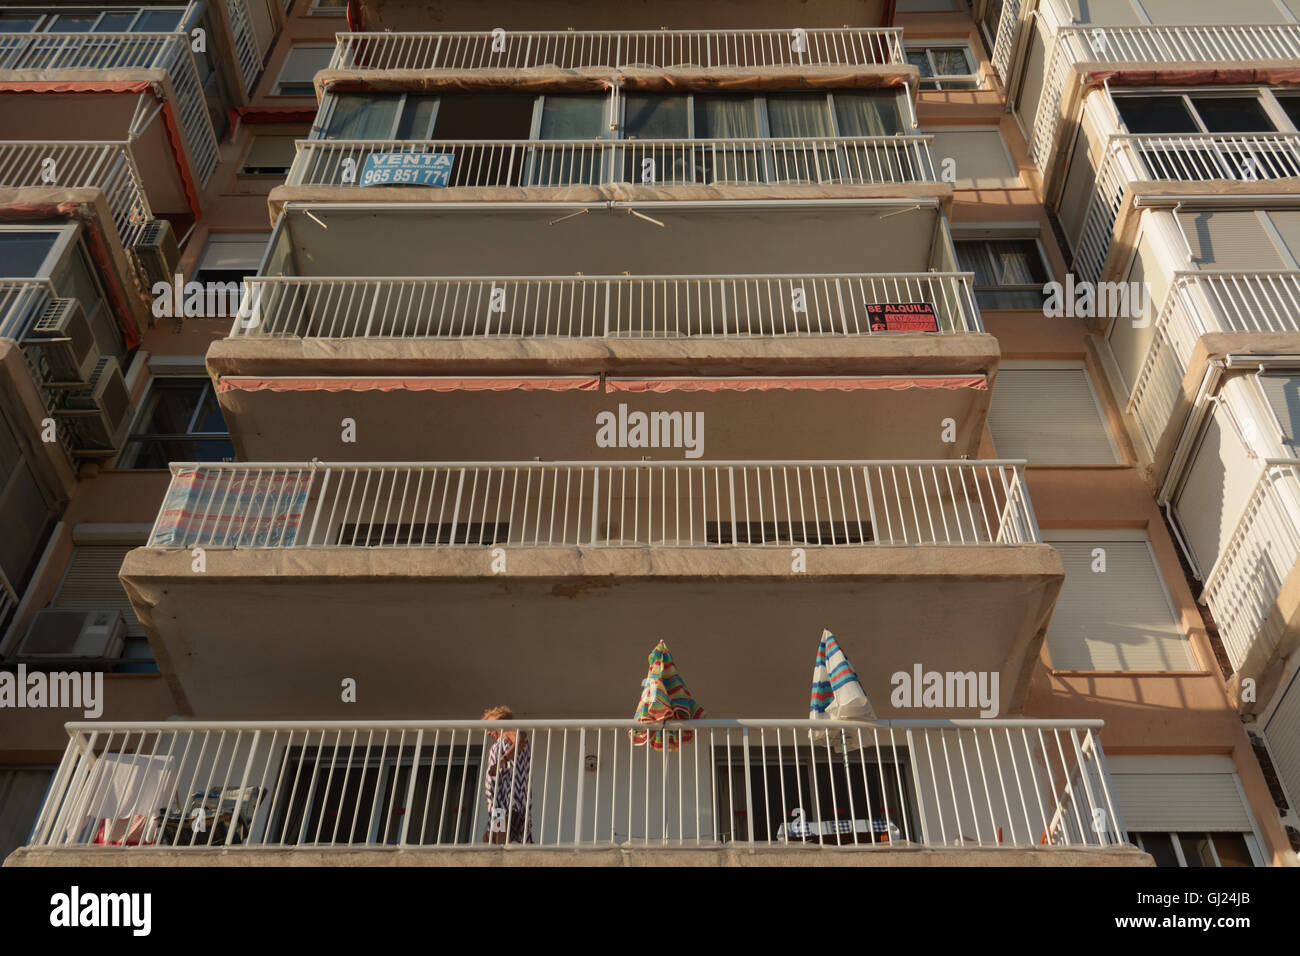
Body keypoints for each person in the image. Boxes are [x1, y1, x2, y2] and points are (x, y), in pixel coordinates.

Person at [482, 705, 533, 844]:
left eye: (489, 727)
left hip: (508, 788)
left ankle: (502, 854)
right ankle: (501, 850)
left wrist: (501, 762)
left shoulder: (509, 731)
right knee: (488, 836)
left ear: (499, 721)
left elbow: (520, 741)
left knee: (500, 823)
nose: (488, 732)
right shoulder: (500, 739)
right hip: (498, 792)